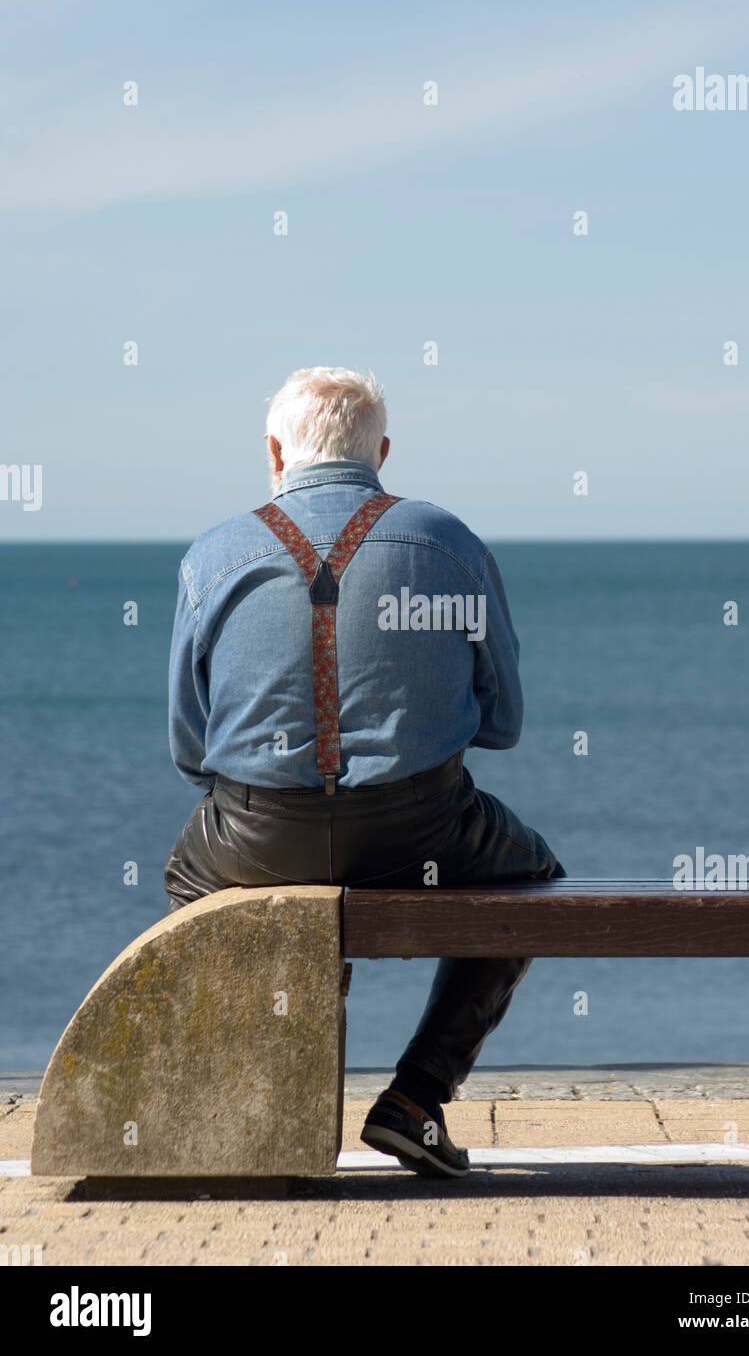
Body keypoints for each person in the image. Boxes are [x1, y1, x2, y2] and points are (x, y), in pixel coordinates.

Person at [164, 366, 565, 1178]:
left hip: (254, 837)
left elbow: (189, 745)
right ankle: (416, 1097)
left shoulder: (214, 552)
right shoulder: (445, 541)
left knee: (186, 878)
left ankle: (276, 1083)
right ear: (380, 451)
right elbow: (505, 721)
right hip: (420, 829)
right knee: (532, 882)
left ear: (275, 453)